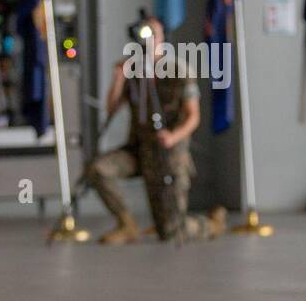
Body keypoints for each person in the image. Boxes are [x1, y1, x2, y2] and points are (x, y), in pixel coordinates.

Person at [85, 15, 227, 244]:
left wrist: (173, 137)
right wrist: (118, 79)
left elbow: (193, 117)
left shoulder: (178, 70)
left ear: (162, 39)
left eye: (153, 35)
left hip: (168, 155)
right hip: (138, 150)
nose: (148, 41)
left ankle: (211, 224)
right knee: (98, 169)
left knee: (171, 232)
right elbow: (111, 109)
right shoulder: (132, 71)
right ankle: (126, 224)